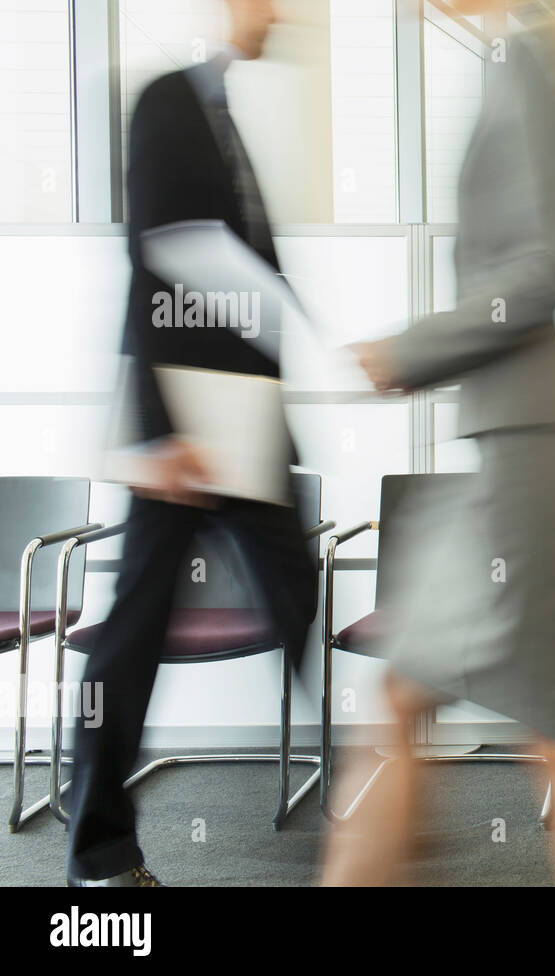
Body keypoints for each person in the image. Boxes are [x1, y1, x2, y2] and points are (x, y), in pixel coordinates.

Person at [320, 0, 555, 886]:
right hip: (511, 440)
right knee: (431, 701)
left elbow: (531, 280)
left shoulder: (527, 58)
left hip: (523, 440)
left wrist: (409, 350)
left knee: (548, 727)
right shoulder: (519, 53)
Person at [66, 0, 319, 886]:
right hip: (187, 434)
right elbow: (155, 259)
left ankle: (350, 805)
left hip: (247, 428)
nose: (277, 13)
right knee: (133, 636)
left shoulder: (226, 116)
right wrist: (160, 436)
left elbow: (237, 269)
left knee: (297, 593)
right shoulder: (168, 102)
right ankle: (99, 852)